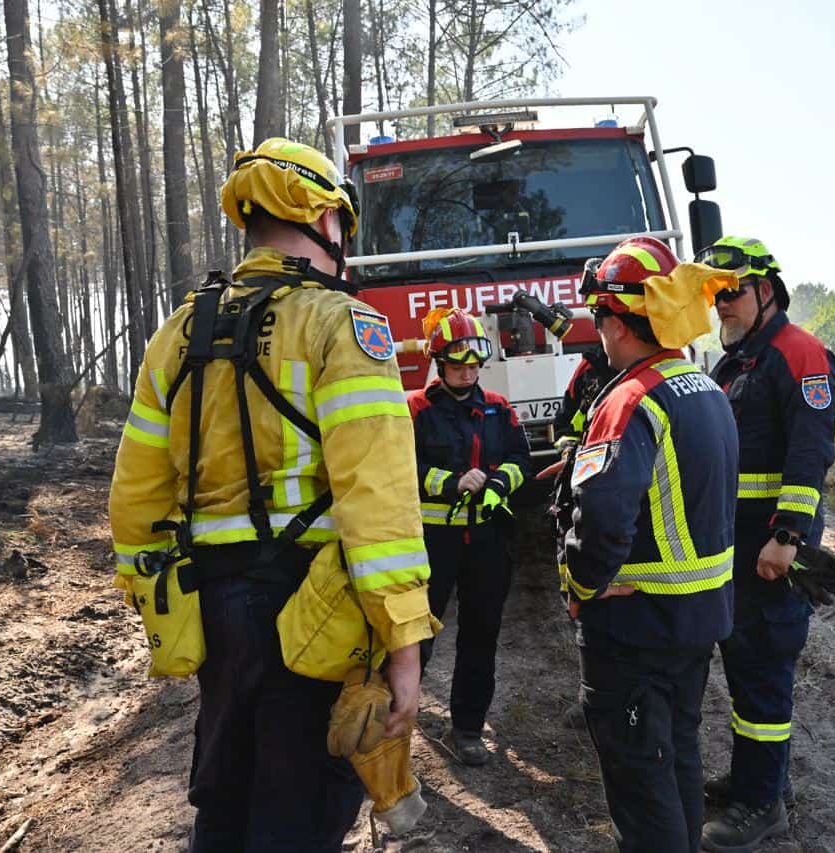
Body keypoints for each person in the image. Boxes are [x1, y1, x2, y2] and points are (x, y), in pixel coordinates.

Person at [108, 137, 436, 850]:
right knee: (302, 813)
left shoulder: (177, 333)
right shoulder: (341, 323)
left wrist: (152, 599)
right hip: (314, 613)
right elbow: (377, 497)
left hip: (212, 610)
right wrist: (405, 642)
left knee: (224, 803)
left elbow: (135, 494)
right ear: (323, 217)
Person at [559, 236, 741, 852]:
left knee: (640, 782)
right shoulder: (704, 387)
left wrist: (583, 584)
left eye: (599, 319)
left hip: (636, 625)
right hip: (698, 615)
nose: (599, 333)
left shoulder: (629, 398)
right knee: (677, 756)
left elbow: (603, 512)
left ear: (617, 321)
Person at [696, 236, 835, 852]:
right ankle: (758, 778)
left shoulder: (799, 352)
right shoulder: (736, 362)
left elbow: (810, 451)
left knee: (763, 671)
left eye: (731, 292)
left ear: (765, 290)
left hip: (772, 548)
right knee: (743, 664)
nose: (722, 305)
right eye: (715, 296)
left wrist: (787, 536)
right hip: (739, 545)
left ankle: (762, 805)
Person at [408, 307, 532, 766]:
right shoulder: (414, 409)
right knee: (415, 636)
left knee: (481, 636)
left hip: (487, 542)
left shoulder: (498, 408)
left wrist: (501, 481)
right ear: (439, 363)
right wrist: (449, 482)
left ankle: (467, 729)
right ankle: (396, 722)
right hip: (431, 545)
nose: (467, 373)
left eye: (474, 365)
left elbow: (522, 459)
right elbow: (401, 466)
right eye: (458, 365)